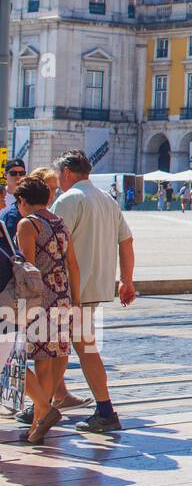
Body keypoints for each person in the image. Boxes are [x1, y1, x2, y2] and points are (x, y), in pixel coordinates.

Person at [45, 150, 135, 433]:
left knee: (71, 347)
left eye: (60, 175)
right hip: (95, 288)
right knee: (78, 347)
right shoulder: (107, 200)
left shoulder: (69, 200)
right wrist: (126, 280)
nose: (59, 181)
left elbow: (53, 244)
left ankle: (98, 409)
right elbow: (127, 241)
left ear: (68, 172)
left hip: (70, 289)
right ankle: (50, 404)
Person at [12, 176, 79, 445]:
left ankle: (43, 412)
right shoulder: (59, 223)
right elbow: (73, 264)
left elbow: (27, 268)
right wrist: (76, 298)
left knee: (25, 356)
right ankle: (38, 425)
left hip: (38, 299)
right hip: (62, 295)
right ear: (48, 198)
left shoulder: (28, 224)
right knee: (48, 358)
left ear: (22, 201)